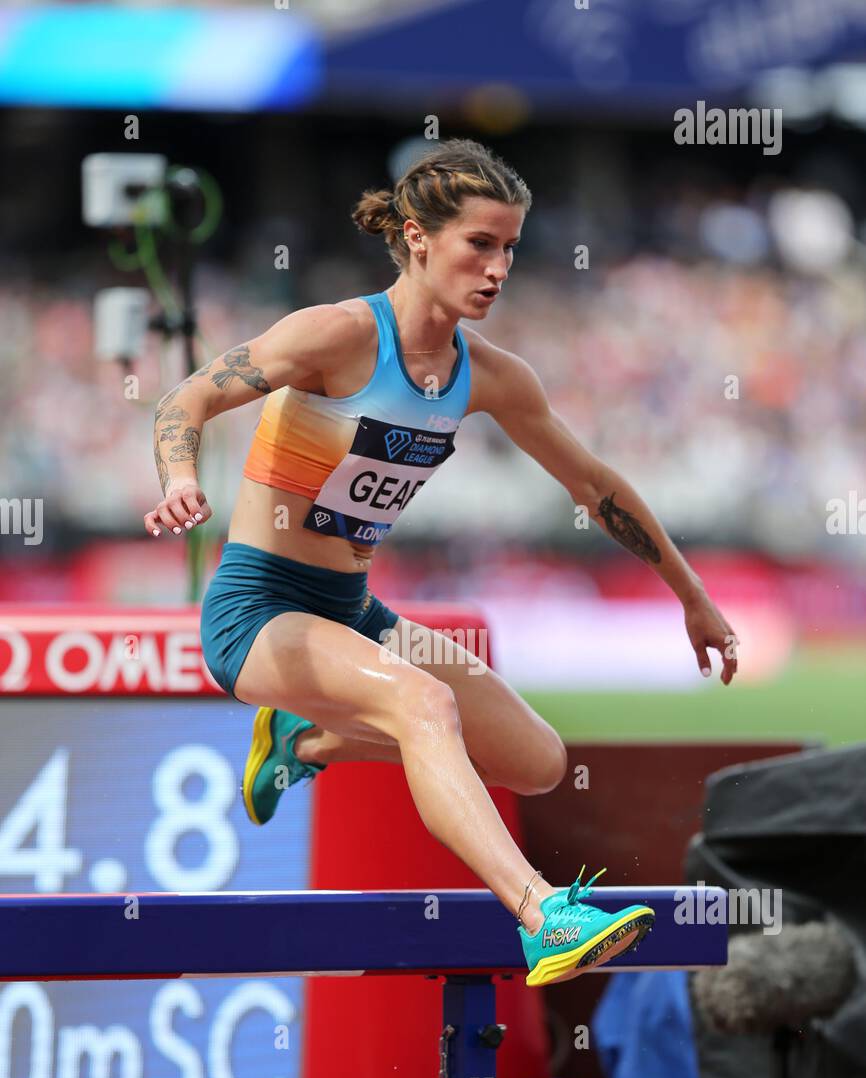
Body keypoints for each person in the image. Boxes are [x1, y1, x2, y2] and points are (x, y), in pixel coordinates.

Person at [145, 138, 737, 987]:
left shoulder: (490, 376)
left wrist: (693, 596)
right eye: (480, 244)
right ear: (418, 238)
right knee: (423, 706)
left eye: (510, 249)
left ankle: (307, 742)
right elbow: (188, 395)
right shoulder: (337, 334)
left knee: (536, 760)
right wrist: (176, 475)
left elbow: (595, 485)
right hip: (260, 610)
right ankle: (543, 916)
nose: (498, 268)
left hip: (356, 613)